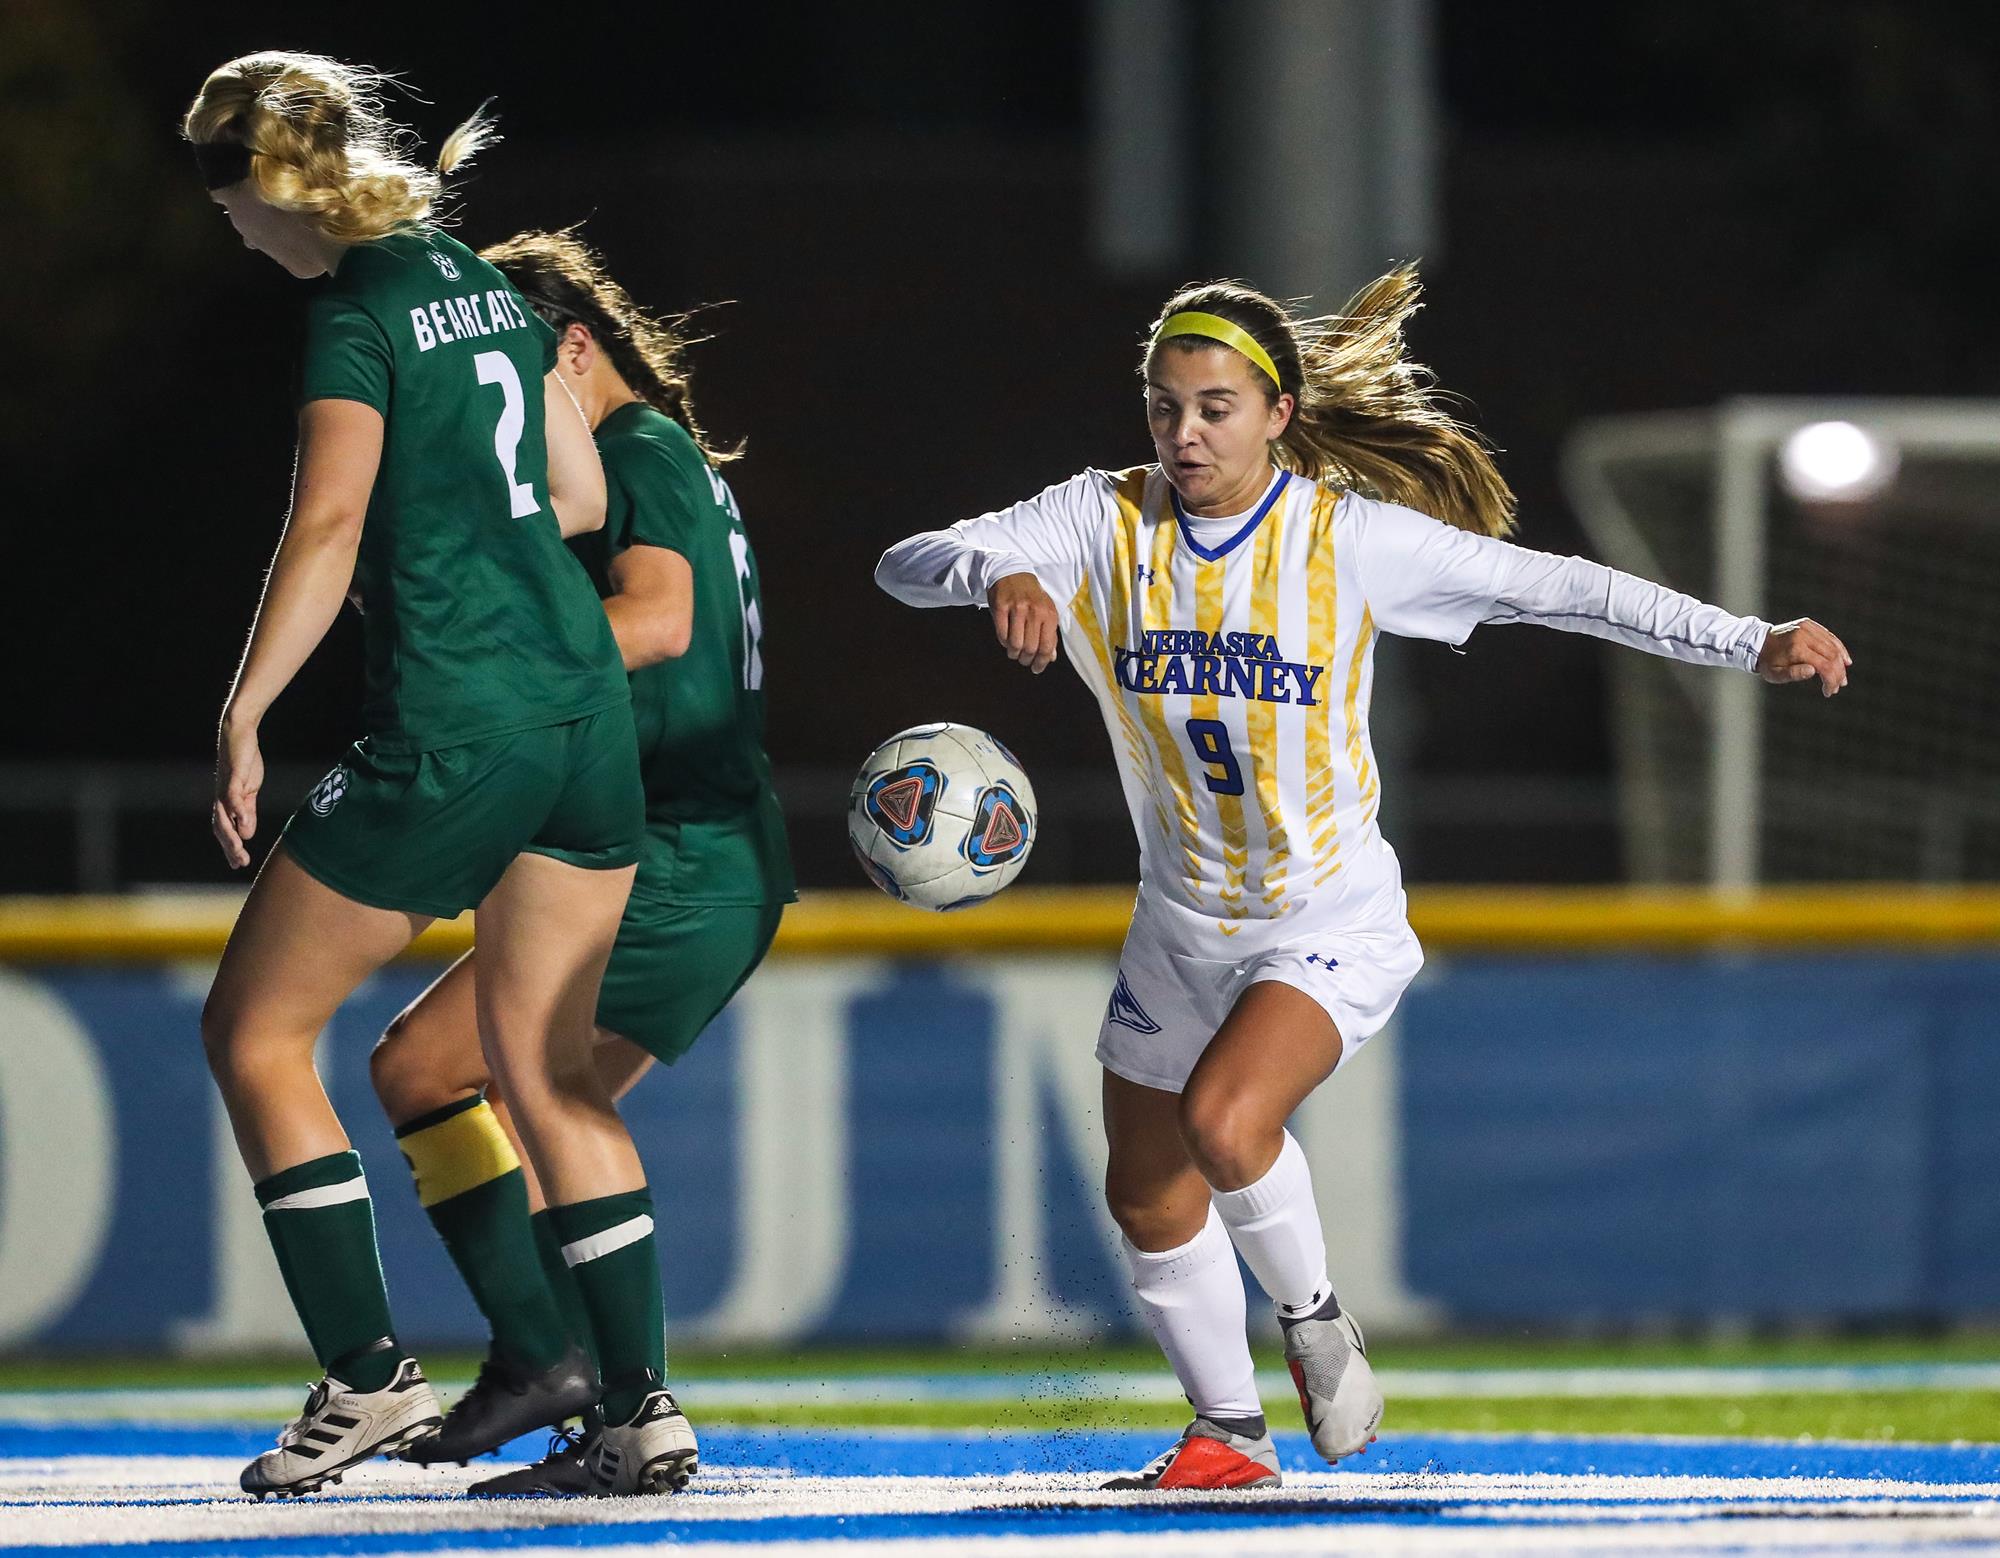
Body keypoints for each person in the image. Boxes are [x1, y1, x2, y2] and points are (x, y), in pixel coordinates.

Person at [875, 268, 1850, 1490]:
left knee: (1226, 1123)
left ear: (1277, 413)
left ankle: (1315, 1316)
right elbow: (905, 561)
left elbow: (1563, 589)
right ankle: (1227, 1435)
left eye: (1215, 407)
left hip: (1324, 917)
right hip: (1179, 924)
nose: (1185, 434)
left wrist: (1746, 639)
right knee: (1143, 1194)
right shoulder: (1095, 518)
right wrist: (995, 572)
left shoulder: (1350, 540)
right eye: (1164, 406)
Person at [184, 54, 672, 1497]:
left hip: (457, 725)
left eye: (228, 210)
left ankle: (366, 1377)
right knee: (554, 1078)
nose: (232, 237)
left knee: (256, 1034)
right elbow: (581, 499)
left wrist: (245, 709)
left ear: (270, 189)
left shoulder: (352, 315)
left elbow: (329, 527)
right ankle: (641, 1408)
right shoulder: (469, 272)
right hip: (583, 721)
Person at [368, 228, 793, 1498]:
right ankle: (554, 1363)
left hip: (673, 846)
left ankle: (614, 1398)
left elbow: (657, 621)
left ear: (571, 346)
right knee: (431, 1071)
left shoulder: (633, 449)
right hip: (665, 839)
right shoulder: (636, 457)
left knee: (536, 1093)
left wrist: (480, 667)